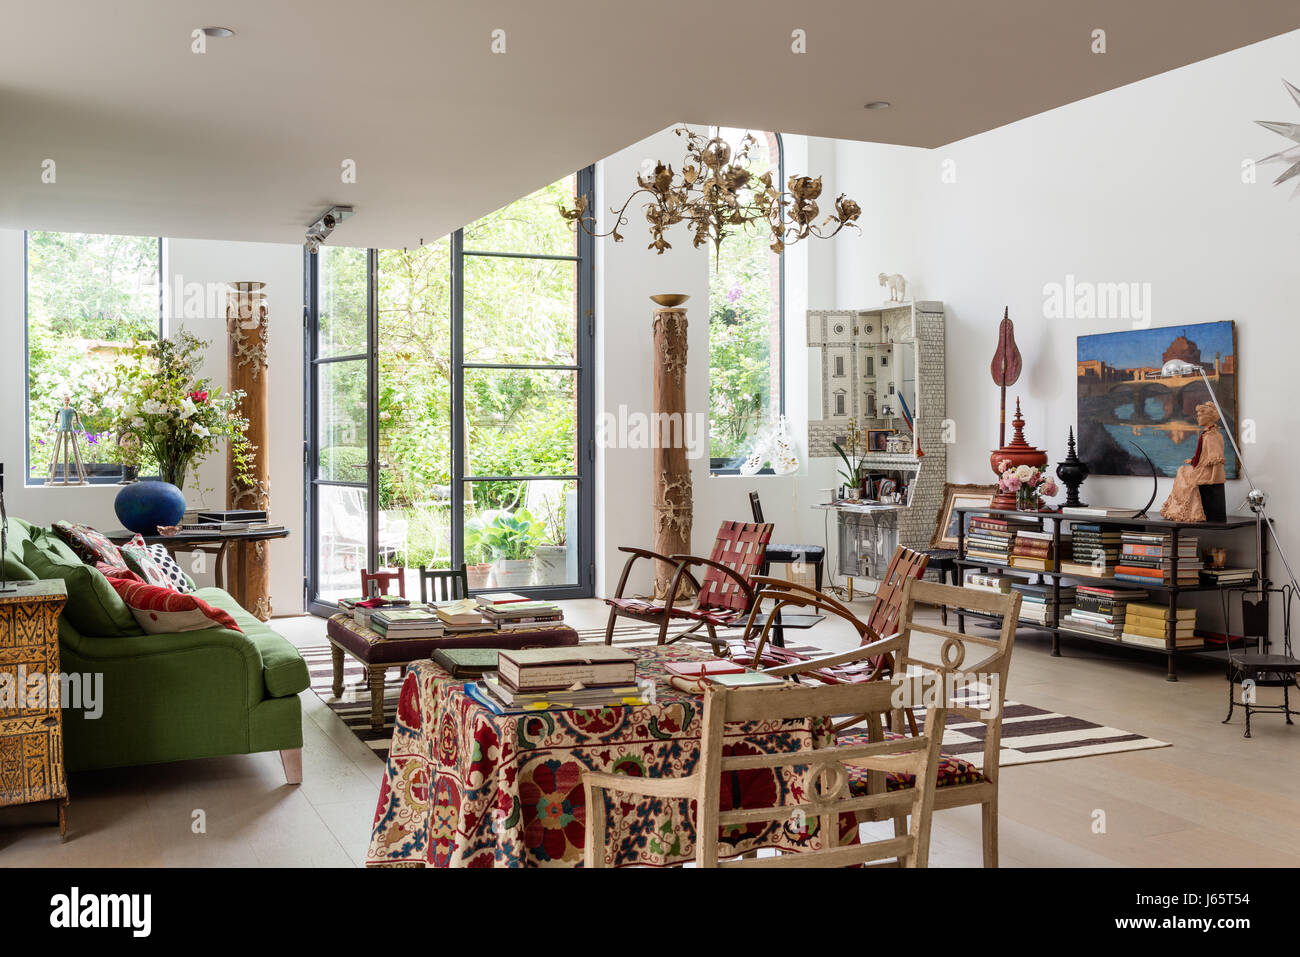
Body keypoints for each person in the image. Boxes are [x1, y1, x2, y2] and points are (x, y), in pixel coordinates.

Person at [1159, 402, 1225, 522]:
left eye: (1200, 415)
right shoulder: (1209, 433)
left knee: (1182, 472)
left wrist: (1212, 479)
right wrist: (1194, 460)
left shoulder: (1211, 436)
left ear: (1209, 417)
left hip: (1207, 471)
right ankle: (1180, 505)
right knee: (1182, 470)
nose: (1197, 418)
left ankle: (1183, 508)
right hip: (1203, 467)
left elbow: (1217, 460)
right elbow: (1206, 454)